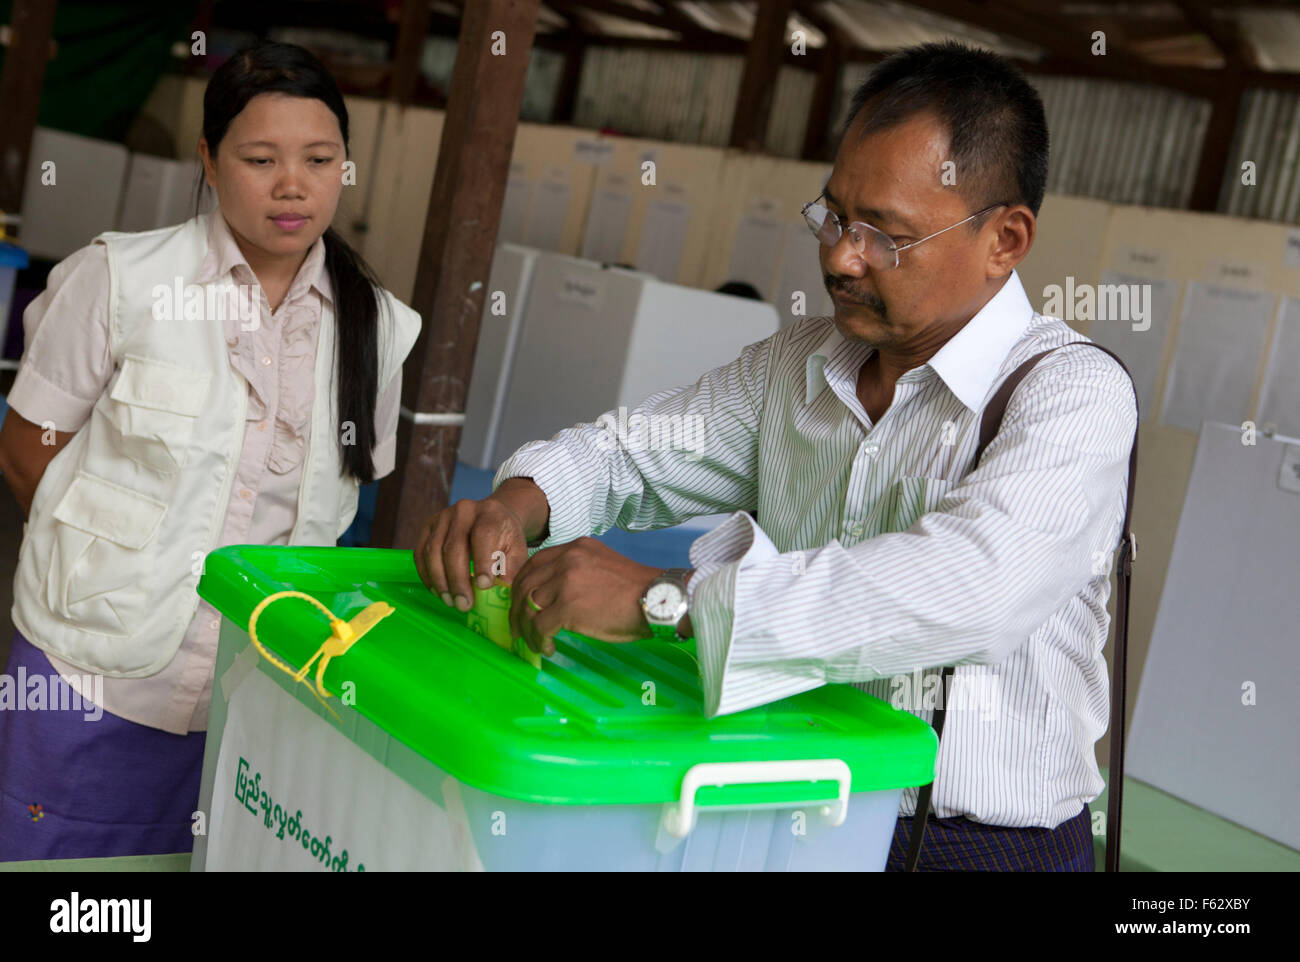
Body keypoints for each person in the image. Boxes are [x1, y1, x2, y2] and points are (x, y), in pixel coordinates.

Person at [414, 41, 1136, 872]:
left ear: (1005, 239)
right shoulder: (797, 363)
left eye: (886, 237)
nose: (840, 256)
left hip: (973, 845)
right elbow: (633, 455)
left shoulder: (1071, 395)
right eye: (834, 216)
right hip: (798, 806)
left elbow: (971, 588)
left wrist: (669, 601)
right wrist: (519, 503)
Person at [0, 41, 421, 861]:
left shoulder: (381, 327)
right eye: (260, 158)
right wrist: (107, 570)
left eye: (320, 159)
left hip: (254, 691)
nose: (292, 184)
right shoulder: (122, 279)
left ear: (345, 167)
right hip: (91, 676)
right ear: (209, 159)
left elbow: (338, 509)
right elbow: (27, 452)